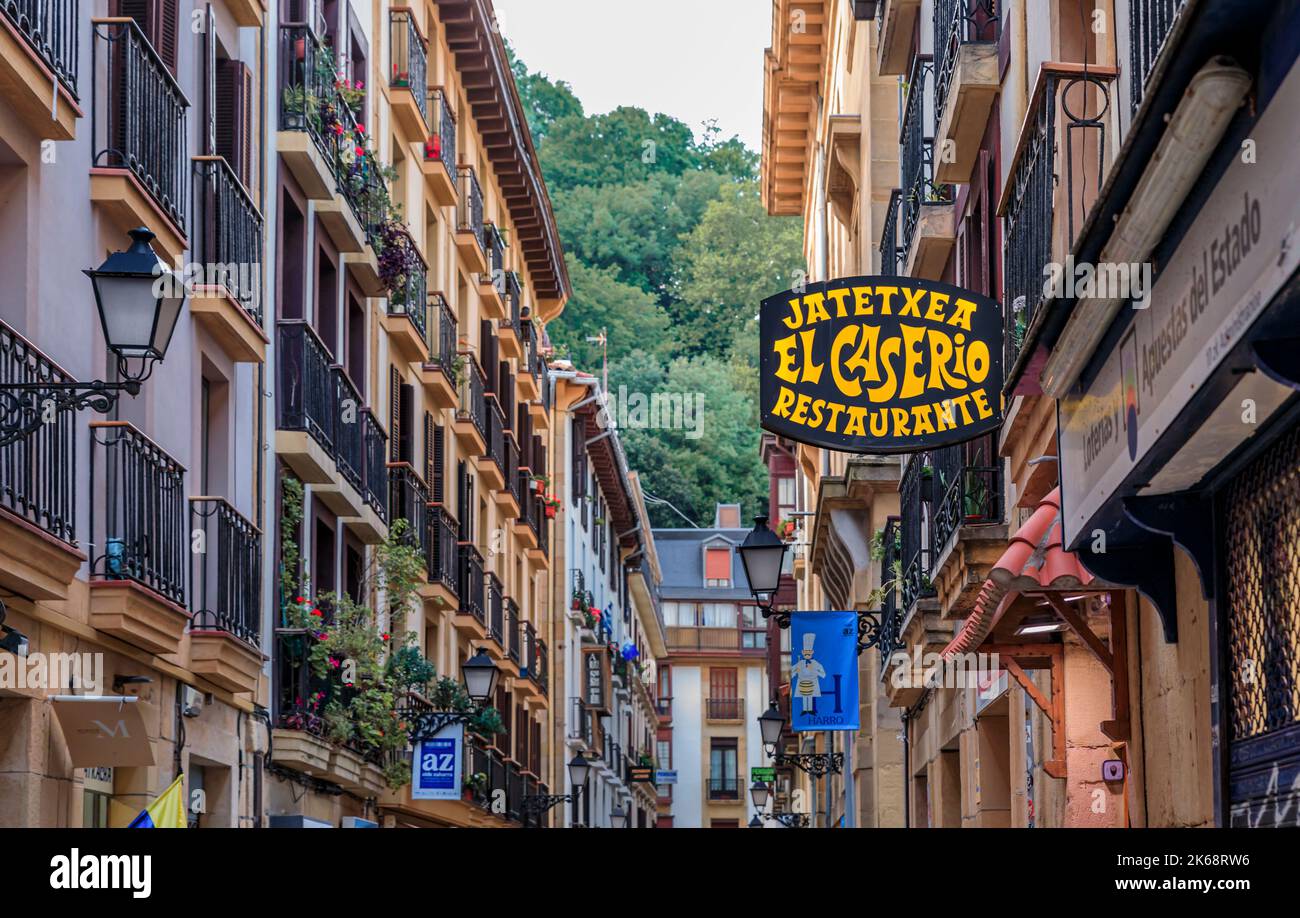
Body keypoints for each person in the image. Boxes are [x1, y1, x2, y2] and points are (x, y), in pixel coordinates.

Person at [791, 631, 826, 716]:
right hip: (802, 683)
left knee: (810, 697)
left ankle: (810, 709)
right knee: (804, 697)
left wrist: (814, 670)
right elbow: (791, 672)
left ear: (812, 652)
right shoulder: (800, 663)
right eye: (805, 652)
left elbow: (823, 675)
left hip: (812, 683)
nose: (807, 654)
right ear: (803, 652)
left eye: (809, 652)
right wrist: (796, 672)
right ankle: (804, 709)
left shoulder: (816, 663)